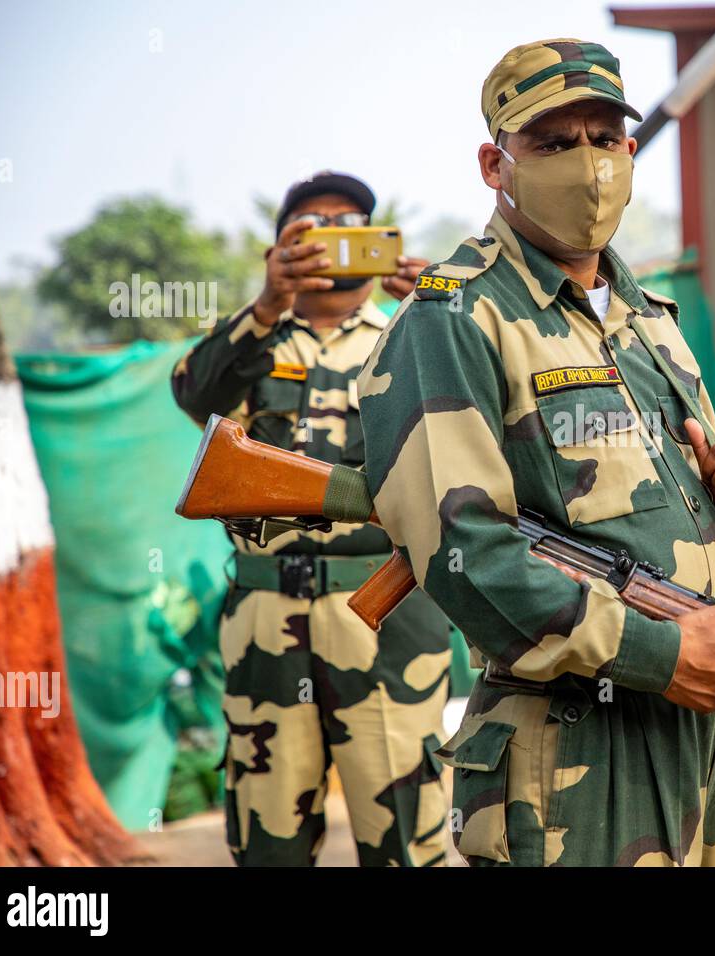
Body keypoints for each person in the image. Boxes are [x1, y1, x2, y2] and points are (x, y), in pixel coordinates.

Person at [355, 40, 715, 867]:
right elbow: (464, 553)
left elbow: (685, 546)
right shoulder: (456, 317)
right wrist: (660, 654)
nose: (589, 165)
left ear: (632, 152)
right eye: (553, 143)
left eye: (605, 138)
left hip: (704, 732)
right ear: (495, 165)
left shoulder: (653, 323)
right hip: (571, 751)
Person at [172, 171, 453, 867]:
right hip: (265, 610)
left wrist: (442, 310)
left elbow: (477, 426)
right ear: (278, 252)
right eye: (309, 229)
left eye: (348, 225)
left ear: (374, 243)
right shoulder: (247, 342)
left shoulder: (416, 331)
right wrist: (268, 305)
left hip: (386, 609)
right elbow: (194, 393)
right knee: (269, 838)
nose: (330, 241)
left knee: (407, 837)